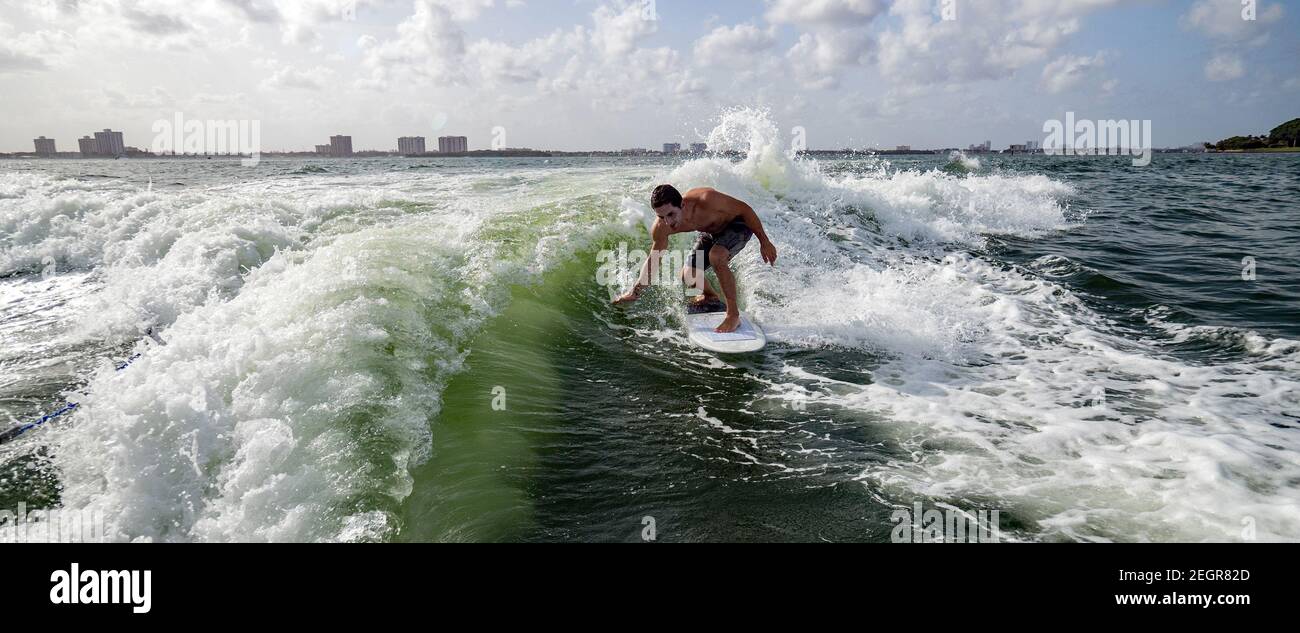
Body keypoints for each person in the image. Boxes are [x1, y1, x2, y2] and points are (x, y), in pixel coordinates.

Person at [613, 184, 777, 333]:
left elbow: (745, 210)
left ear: (682, 205)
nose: (668, 222)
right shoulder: (661, 227)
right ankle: (710, 296)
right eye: (662, 217)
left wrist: (764, 241)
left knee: (716, 256)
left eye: (671, 214)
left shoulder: (708, 201)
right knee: (688, 274)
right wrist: (635, 291)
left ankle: (733, 315)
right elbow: (654, 258)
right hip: (710, 232)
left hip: (738, 225)